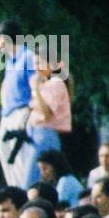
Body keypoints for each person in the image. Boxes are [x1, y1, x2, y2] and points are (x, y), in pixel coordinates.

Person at [0, 20, 38, 188]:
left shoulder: (27, 57)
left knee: (19, 158)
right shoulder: (10, 61)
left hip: (22, 112)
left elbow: (36, 86)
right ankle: (14, 188)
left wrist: (29, 113)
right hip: (8, 114)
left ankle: (22, 190)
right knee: (5, 152)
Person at [25, 58, 72, 186]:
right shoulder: (46, 84)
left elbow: (46, 114)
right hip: (35, 134)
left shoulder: (55, 84)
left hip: (45, 135)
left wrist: (35, 89)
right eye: (34, 64)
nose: (36, 68)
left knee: (32, 181)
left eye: (39, 63)